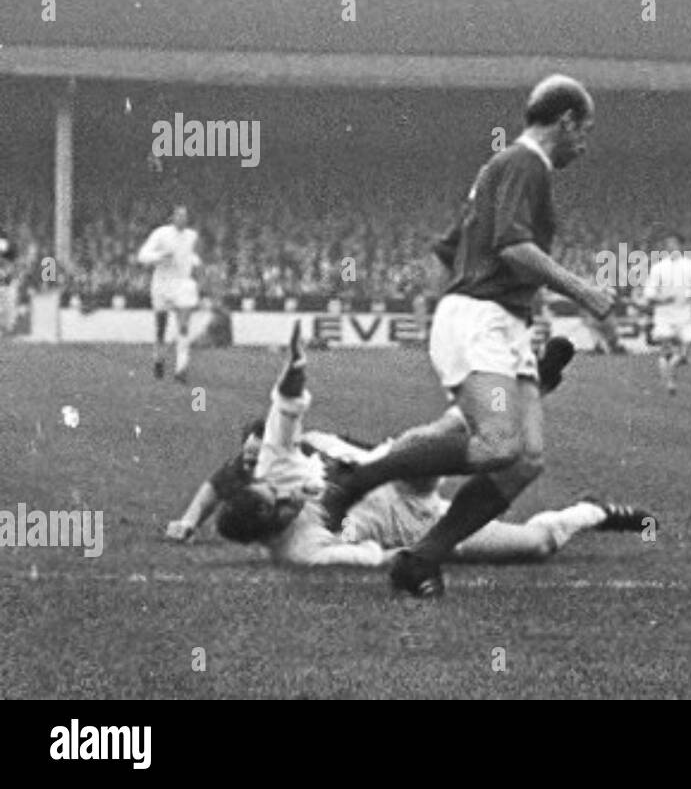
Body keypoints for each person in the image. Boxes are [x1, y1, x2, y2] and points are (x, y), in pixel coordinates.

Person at [321, 75, 616, 597]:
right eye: (584, 130)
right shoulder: (526, 164)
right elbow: (511, 248)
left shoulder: (496, 170)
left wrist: (447, 312)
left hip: (497, 322)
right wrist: (581, 290)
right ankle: (360, 479)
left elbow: (446, 249)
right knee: (500, 444)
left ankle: (421, 559)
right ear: (565, 120)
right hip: (483, 318)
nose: (585, 144)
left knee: (525, 460)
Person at [165, 324, 654, 567]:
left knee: (431, 437)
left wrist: (294, 366)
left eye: (278, 490)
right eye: (282, 505)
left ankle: (524, 380)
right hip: (420, 524)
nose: (290, 495)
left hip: (397, 475)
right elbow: (376, 559)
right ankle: (594, 512)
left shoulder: (270, 468)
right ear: (267, 531)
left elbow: (286, 408)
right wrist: (421, 556)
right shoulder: (303, 551)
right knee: (539, 543)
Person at [136, 204, 201, 381]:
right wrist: (160, 256)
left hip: (183, 285)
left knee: (184, 326)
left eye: (185, 216)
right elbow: (142, 255)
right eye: (179, 215)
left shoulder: (192, 236)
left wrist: (195, 262)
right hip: (162, 284)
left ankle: (181, 368)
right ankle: (159, 360)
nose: (182, 219)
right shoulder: (160, 234)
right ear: (172, 217)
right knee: (161, 328)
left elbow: (193, 255)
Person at [641, 233, 691, 394]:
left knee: (686, 352)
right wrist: (662, 298)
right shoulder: (658, 267)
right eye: (668, 244)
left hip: (684, 315)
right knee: (666, 350)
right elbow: (649, 292)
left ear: (681, 246)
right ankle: (669, 384)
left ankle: (671, 370)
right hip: (664, 315)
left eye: (674, 244)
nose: (671, 247)